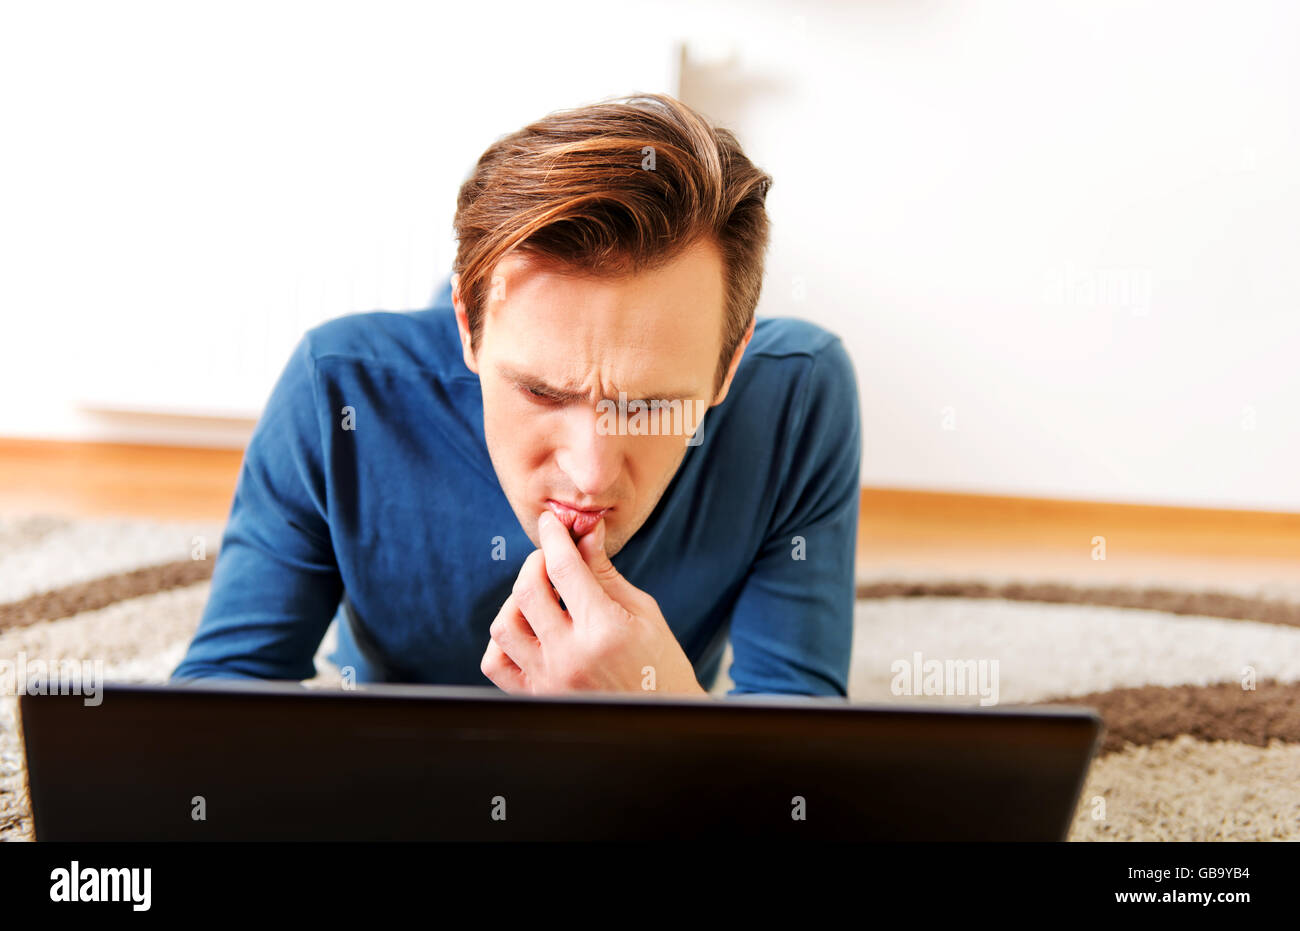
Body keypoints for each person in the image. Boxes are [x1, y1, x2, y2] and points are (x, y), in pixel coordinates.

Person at [171, 92, 861, 697]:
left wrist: (663, 713)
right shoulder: (338, 388)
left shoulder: (798, 397)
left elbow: (794, 755)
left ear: (729, 365)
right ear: (466, 329)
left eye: (651, 405)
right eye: (540, 391)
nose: (589, 474)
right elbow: (218, 704)